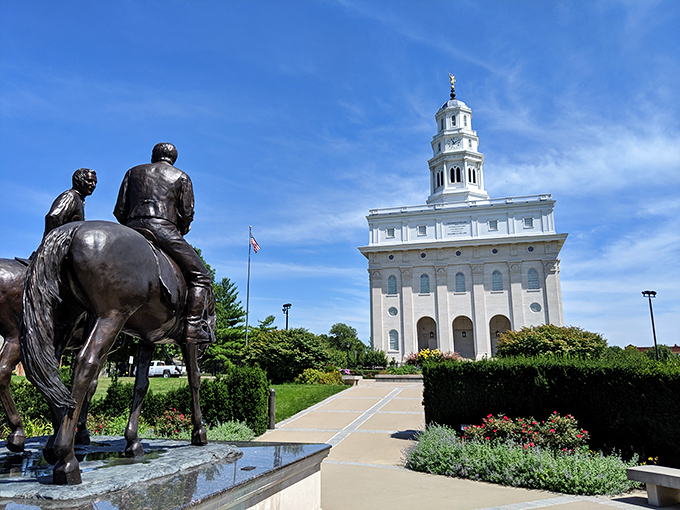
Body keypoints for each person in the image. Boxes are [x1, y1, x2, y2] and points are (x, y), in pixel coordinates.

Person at [113, 142, 215, 343]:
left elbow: (119, 209)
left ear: (153, 155)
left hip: (130, 228)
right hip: (163, 230)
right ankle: (193, 325)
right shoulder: (181, 176)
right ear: (173, 159)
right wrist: (181, 230)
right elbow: (187, 214)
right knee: (202, 276)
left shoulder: (132, 172)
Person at [43, 168, 97, 239]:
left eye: (95, 182)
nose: (93, 185)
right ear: (78, 181)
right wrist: (54, 241)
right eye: (89, 181)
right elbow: (53, 217)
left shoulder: (79, 199)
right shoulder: (71, 195)